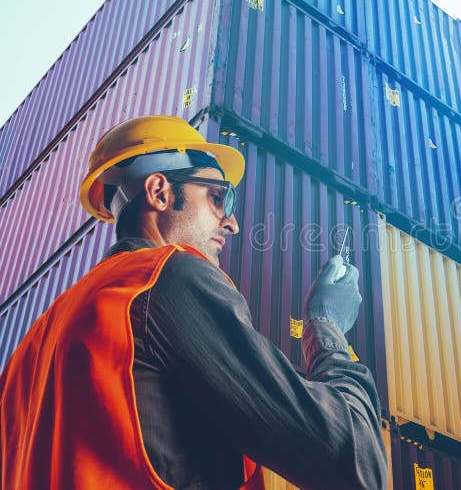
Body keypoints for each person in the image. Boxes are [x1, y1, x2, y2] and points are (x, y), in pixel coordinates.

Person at [0, 115, 387, 489]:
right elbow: (353, 465)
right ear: (160, 192)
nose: (232, 223)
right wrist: (326, 328)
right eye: (219, 197)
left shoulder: (29, 350)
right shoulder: (165, 277)